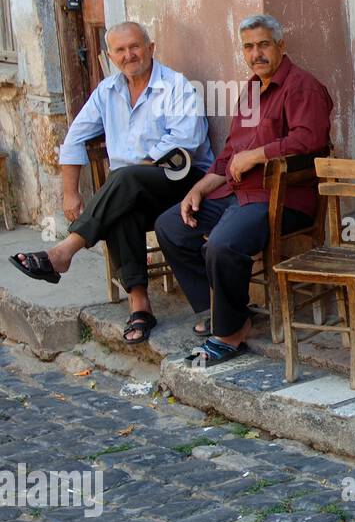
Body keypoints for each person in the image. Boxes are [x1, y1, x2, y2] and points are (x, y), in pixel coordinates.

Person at [8, 21, 212, 344]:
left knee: (123, 181)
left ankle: (64, 252)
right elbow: (74, 138)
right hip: (134, 190)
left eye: (135, 47)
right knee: (121, 204)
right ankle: (140, 306)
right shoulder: (107, 91)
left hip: (183, 181)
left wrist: (134, 173)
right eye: (120, 50)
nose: (129, 55)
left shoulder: (176, 86)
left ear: (151, 48)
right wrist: (70, 192)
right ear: (110, 55)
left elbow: (185, 144)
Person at [154, 14, 332, 365]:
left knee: (223, 244)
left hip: (281, 199)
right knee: (171, 226)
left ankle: (230, 333)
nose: (256, 53)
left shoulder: (302, 87)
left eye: (264, 44)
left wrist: (258, 154)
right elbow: (230, 154)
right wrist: (200, 190)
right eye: (248, 47)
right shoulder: (251, 90)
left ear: (281, 46)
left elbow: (310, 139)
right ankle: (220, 310)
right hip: (237, 195)